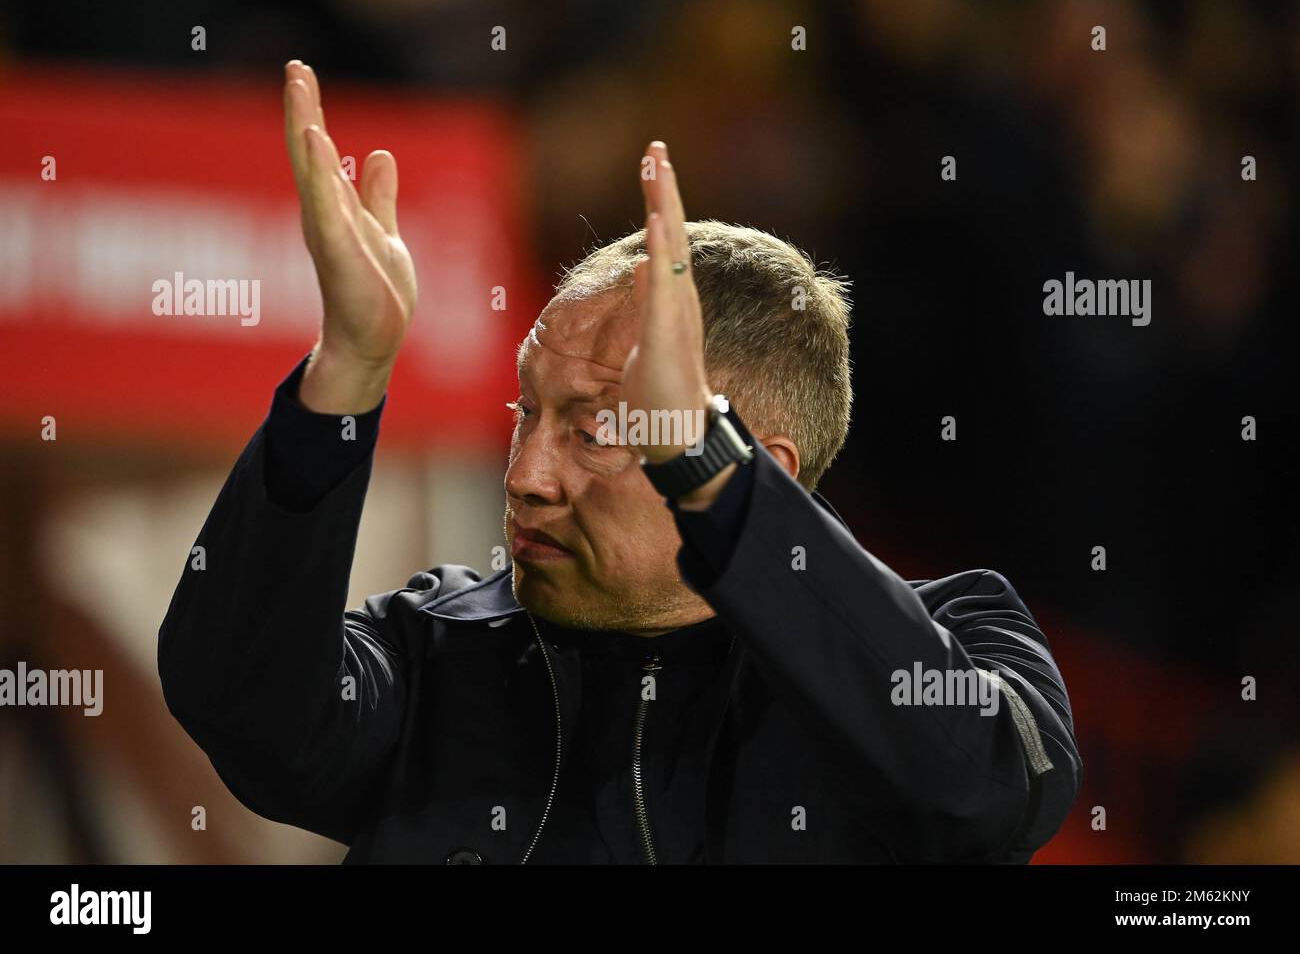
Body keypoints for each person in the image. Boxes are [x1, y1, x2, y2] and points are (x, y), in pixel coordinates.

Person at [158, 60, 1081, 864]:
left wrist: (705, 467)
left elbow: (981, 791)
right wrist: (346, 374)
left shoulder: (960, 639)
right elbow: (243, 707)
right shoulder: (435, 656)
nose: (526, 475)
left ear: (762, 465)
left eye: (599, 429)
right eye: (529, 413)